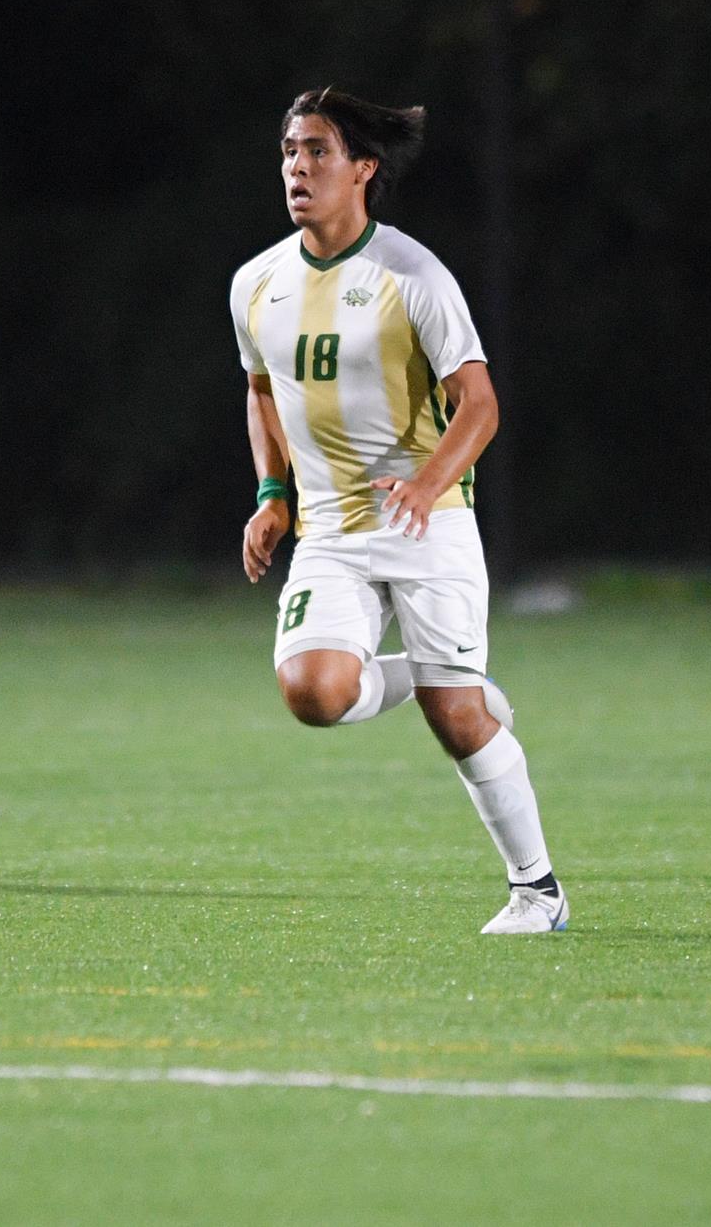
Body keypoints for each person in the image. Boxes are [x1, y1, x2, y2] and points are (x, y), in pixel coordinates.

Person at [229, 87, 567, 933]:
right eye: (289, 152)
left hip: (428, 516)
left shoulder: (413, 275)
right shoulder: (255, 282)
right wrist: (273, 495)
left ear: (364, 170)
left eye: (317, 152)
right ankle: (436, 671)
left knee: (459, 724)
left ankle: (539, 891)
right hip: (333, 530)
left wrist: (424, 483)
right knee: (313, 691)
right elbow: (262, 391)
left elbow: (479, 404)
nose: (298, 168)